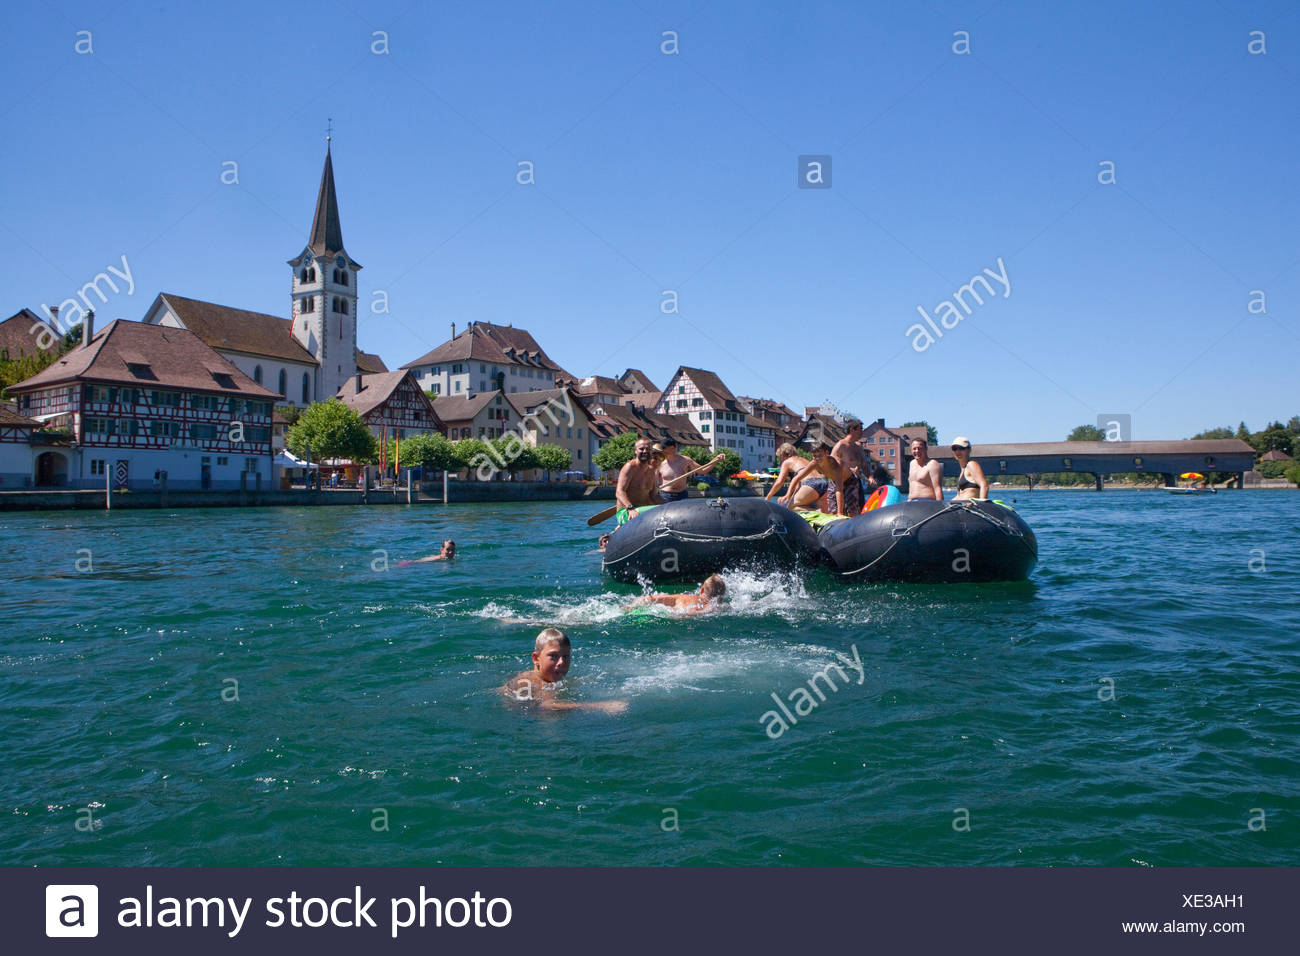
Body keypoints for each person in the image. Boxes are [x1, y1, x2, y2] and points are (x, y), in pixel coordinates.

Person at [503, 628, 627, 713]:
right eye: (553, 656)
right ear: (536, 658)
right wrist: (601, 706)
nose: (561, 662)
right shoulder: (532, 683)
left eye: (566, 656)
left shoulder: (547, 679)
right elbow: (547, 706)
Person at [782, 442, 861, 516]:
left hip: (849, 481)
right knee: (832, 511)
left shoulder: (835, 464)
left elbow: (839, 489)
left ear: (827, 453)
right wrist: (788, 494)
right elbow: (797, 478)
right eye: (814, 455)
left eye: (820, 455)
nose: (818, 458)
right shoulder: (814, 463)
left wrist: (839, 513)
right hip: (833, 481)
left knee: (851, 511)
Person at [766, 443, 827, 510]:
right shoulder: (804, 459)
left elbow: (779, 481)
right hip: (823, 482)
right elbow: (798, 485)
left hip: (810, 483)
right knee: (816, 507)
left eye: (780, 457)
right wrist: (790, 496)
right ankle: (820, 512)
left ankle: (817, 512)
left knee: (790, 507)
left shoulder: (787, 461)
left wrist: (768, 497)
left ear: (783, 455)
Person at [627, 574, 727, 615]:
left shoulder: (683, 598)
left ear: (701, 590)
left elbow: (648, 599)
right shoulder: (721, 608)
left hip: (677, 617)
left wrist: (630, 606)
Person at [615, 437, 663, 521]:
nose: (645, 451)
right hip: (626, 512)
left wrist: (670, 505)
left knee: (665, 509)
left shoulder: (651, 471)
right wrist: (630, 508)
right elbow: (619, 492)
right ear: (635, 450)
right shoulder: (630, 467)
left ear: (651, 451)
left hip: (643, 510)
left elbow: (654, 496)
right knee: (660, 510)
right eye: (641, 449)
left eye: (648, 449)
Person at [829, 419, 869, 514]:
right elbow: (831, 465)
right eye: (860, 429)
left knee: (853, 511)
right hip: (837, 481)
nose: (862, 432)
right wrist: (847, 468)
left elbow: (863, 464)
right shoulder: (840, 446)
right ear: (852, 430)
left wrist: (870, 477)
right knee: (834, 511)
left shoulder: (858, 447)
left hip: (852, 481)